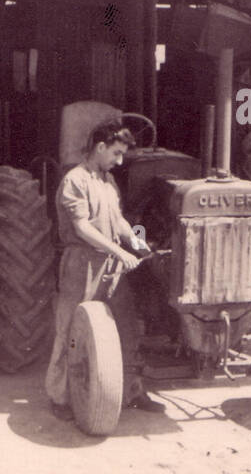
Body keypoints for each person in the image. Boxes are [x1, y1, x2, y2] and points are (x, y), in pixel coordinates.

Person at [45, 119, 165, 419]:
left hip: (111, 265)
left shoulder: (107, 181)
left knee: (125, 327)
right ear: (100, 147)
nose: (119, 160)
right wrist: (117, 251)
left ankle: (131, 391)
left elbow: (118, 220)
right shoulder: (75, 180)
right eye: (116, 153)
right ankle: (60, 398)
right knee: (71, 329)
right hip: (81, 263)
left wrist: (135, 242)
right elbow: (82, 227)